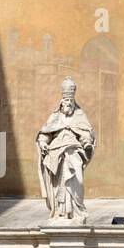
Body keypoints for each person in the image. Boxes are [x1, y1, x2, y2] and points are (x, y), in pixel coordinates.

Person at [37, 78, 96, 222]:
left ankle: (76, 209)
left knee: (78, 180)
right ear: (61, 102)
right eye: (66, 101)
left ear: (73, 102)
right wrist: (43, 143)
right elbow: (45, 133)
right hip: (56, 152)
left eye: (70, 100)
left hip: (74, 151)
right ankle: (60, 212)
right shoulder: (55, 116)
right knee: (59, 184)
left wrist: (86, 141)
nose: (68, 103)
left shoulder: (80, 115)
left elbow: (86, 132)